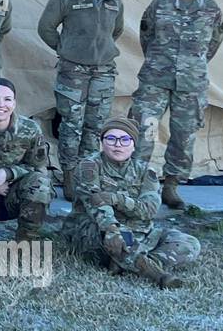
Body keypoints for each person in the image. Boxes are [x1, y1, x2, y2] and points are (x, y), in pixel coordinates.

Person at [128, 0, 223, 209]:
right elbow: (146, 35)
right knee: (143, 131)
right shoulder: (159, 4)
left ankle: (171, 185)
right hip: (155, 80)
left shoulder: (211, 9)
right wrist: (161, 60)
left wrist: (191, 64)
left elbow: (213, 43)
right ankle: (135, 183)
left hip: (191, 83)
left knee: (183, 137)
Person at [66, 117, 201, 288]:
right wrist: (112, 228)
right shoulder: (89, 166)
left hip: (142, 231)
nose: (118, 145)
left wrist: (118, 199)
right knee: (122, 238)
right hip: (99, 229)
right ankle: (159, 276)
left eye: (124, 139)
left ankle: (133, 262)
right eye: (111, 139)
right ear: (102, 143)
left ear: (133, 144)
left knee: (190, 244)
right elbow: (97, 205)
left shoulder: (145, 171)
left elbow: (149, 210)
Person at [37, 0, 124, 200]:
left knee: (95, 126)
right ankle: (69, 175)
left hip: (104, 72)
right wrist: (66, 50)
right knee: (71, 126)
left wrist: (99, 51)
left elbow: (115, 32)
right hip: (72, 72)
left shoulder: (114, 0)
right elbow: (46, 28)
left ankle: (88, 175)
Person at [0, 78, 51, 241]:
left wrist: (8, 172)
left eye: (7, 99)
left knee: (41, 184)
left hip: (12, 195)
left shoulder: (30, 129)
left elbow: (39, 168)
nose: (1, 104)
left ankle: (27, 241)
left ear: (14, 103)